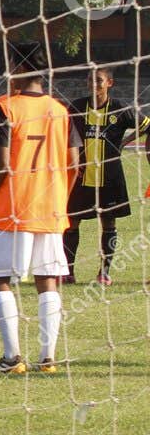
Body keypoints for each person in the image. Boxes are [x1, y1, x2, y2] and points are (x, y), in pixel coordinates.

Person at [0, 55, 80, 374]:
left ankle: (12, 358)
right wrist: (59, 195)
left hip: (14, 206)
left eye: (11, 66)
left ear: (22, 70)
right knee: (47, 279)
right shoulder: (60, 111)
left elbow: (3, 164)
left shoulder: (6, 106)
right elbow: (75, 164)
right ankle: (47, 358)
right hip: (49, 208)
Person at [64, 65, 146, 286]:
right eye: (90, 80)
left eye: (98, 80)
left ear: (109, 83)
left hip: (109, 176)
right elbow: (64, 132)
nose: (93, 84)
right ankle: (68, 271)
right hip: (81, 176)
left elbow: (146, 124)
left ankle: (104, 272)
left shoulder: (118, 108)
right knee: (71, 222)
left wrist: (126, 142)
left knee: (108, 223)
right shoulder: (78, 107)